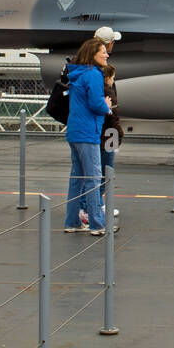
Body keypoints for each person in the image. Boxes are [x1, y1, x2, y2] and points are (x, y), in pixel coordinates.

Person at [63, 38, 112, 236]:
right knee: (92, 179)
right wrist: (106, 105)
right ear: (93, 55)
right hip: (88, 133)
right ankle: (97, 224)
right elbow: (95, 104)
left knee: (77, 179)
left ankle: (72, 221)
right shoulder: (93, 74)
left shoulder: (78, 73)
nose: (107, 54)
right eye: (103, 52)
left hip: (74, 131)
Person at [98, 63, 122, 232]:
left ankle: (99, 203)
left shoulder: (100, 91)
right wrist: (120, 135)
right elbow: (113, 118)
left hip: (104, 134)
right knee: (107, 170)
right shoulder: (109, 93)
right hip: (110, 134)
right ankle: (99, 204)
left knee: (102, 170)